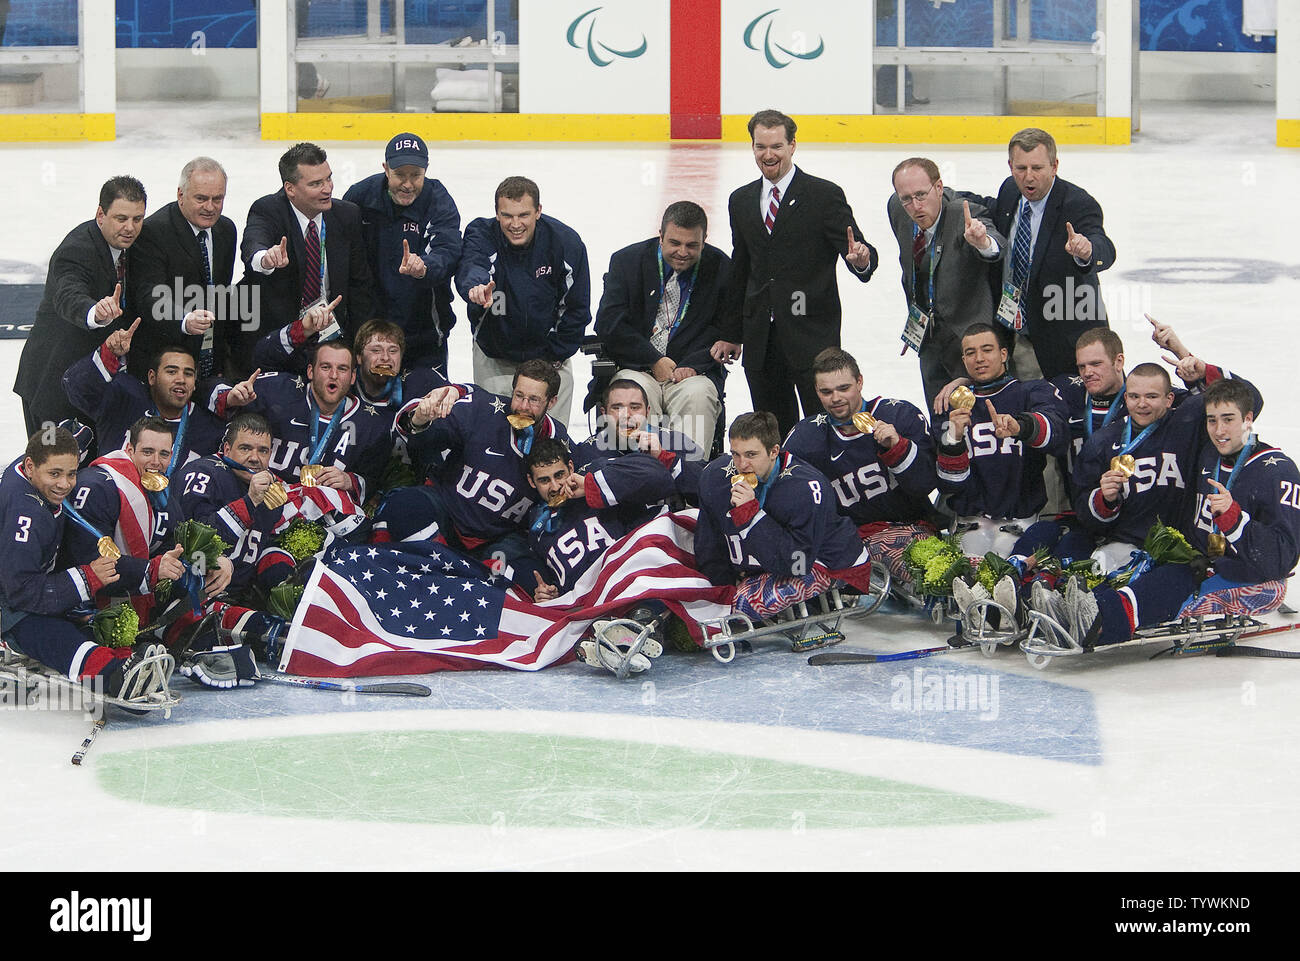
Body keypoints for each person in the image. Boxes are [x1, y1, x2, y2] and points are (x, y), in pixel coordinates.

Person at [1033, 378, 1299, 650]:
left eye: (1228, 419)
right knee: (1139, 567)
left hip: (1250, 577)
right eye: (1211, 421)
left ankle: (1099, 624)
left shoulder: (1277, 471)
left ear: (1248, 419)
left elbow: (1283, 557)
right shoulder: (1209, 455)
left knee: (1172, 581)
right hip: (1200, 560)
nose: (1219, 430)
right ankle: (1069, 611)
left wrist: (1235, 520)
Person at [713, 110, 878, 437]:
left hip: (812, 335)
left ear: (792, 146)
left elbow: (858, 251)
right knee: (773, 430)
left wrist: (861, 259)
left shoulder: (823, 195)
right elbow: (741, 266)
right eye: (761, 147)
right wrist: (732, 331)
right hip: (761, 336)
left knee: (826, 428)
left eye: (776, 146)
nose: (768, 155)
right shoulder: (741, 200)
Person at [0, 427, 173, 700]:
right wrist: (88, 578)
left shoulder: (38, 460)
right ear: (30, 466)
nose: (64, 484)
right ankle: (113, 675)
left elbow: (69, 438)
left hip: (21, 579)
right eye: (55, 474)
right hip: (9, 598)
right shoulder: (27, 514)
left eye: (71, 473)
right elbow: (19, 591)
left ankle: (120, 660)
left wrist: (83, 432)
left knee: (75, 616)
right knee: (40, 627)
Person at [695, 412, 873, 636]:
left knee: (744, 603)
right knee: (710, 600)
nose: (742, 464)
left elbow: (796, 564)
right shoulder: (714, 476)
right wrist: (720, 589)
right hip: (769, 562)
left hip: (824, 561)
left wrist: (750, 515)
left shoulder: (806, 487)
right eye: (735, 454)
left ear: (773, 451)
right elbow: (709, 544)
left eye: (751, 454)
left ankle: (819, 596)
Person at [966, 127, 1117, 381]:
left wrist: (1086, 251)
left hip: (1063, 337)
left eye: (1037, 168)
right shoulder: (1010, 191)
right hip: (1013, 330)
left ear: (1055, 166)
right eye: (1020, 168)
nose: (1028, 177)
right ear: (1010, 165)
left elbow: (1104, 248)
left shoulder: (1077, 203)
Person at [783, 348, 938, 586]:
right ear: (816, 390)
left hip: (915, 527)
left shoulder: (900, 415)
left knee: (940, 566)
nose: (835, 399)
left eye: (843, 388)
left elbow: (924, 485)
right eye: (826, 391)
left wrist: (898, 448)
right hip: (854, 541)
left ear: (860, 382)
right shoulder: (804, 439)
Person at [593, 201, 730, 454]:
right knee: (628, 398)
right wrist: (653, 359)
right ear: (661, 236)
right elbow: (608, 324)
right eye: (675, 243)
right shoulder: (627, 262)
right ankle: (633, 479)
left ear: (705, 239)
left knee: (700, 395)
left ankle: (689, 482)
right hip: (637, 366)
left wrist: (693, 365)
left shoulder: (721, 267)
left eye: (692, 245)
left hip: (691, 372)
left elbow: (725, 330)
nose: (682, 252)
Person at [15, 176, 147, 437]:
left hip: (92, 384)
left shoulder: (136, 244)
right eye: (121, 218)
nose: (130, 228)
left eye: (137, 219)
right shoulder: (76, 251)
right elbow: (67, 293)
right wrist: (94, 312)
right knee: (53, 466)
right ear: (101, 214)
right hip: (52, 389)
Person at [457, 176, 590, 427]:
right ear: (496, 213)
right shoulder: (481, 233)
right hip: (496, 359)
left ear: (538, 211)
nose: (515, 224)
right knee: (494, 439)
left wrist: (552, 356)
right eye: (507, 215)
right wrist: (475, 287)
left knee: (550, 443)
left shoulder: (565, 243)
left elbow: (577, 309)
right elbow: (474, 264)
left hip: (550, 361)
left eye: (524, 215)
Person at [236, 142, 373, 380]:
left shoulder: (347, 215)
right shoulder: (268, 209)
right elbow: (253, 244)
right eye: (316, 184)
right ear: (290, 188)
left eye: (328, 179)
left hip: (332, 339)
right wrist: (266, 259)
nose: (327, 189)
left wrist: (361, 343)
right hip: (280, 341)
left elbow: (360, 286)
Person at [932, 323, 1069, 559]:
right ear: (963, 359)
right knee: (967, 575)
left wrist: (1021, 427)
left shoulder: (1031, 392)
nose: (979, 358)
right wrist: (953, 439)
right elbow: (949, 485)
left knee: (1002, 570)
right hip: (969, 523)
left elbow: (1058, 435)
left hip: (1020, 522)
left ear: (1003, 354)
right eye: (971, 353)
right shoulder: (949, 406)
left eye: (987, 350)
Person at [212, 340, 393, 508]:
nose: (334, 375)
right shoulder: (277, 390)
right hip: (257, 500)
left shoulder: (372, 425)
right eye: (325, 367)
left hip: (317, 518)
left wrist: (349, 480)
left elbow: (373, 482)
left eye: (342, 369)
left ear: (353, 376)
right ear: (310, 372)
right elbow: (206, 388)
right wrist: (230, 399)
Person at [886, 158, 1005, 408]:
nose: (915, 206)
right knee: (939, 419)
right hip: (928, 338)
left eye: (921, 194)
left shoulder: (965, 215)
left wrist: (983, 243)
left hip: (969, 340)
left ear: (939, 187)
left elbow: (997, 247)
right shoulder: (897, 210)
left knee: (975, 419)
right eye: (906, 198)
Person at [342, 132, 463, 374]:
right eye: (400, 175)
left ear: (426, 171)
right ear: (386, 169)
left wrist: (425, 267)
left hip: (424, 335)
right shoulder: (360, 197)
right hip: (370, 333)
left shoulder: (437, 200)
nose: (407, 184)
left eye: (416, 175)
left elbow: (447, 249)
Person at [62, 320, 225, 471]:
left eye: (188, 374)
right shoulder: (124, 398)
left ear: (195, 383)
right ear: (152, 377)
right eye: (171, 372)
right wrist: (108, 354)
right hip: (113, 498)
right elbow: (76, 388)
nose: (181, 379)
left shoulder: (210, 429)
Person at [128, 157, 238, 381]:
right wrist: (184, 319)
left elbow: (221, 292)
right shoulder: (153, 233)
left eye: (217, 199)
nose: (210, 207)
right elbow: (150, 296)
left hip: (209, 359)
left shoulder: (226, 230)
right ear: (180, 194)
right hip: (164, 362)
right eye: (201, 198)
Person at [176, 413, 296, 600]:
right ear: (227, 449)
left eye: (263, 451)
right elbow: (191, 541)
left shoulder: (272, 490)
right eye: (245, 448)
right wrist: (249, 502)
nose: (255, 458)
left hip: (240, 598)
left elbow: (266, 545)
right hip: (190, 596)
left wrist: (282, 577)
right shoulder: (203, 474)